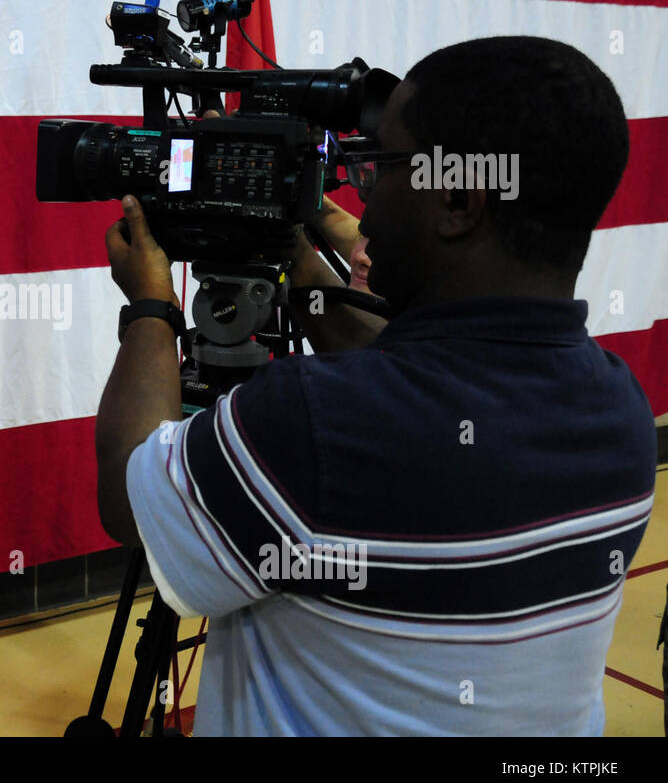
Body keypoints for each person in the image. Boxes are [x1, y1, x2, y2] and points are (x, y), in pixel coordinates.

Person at [96, 36, 656, 735]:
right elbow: (408, 380)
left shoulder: (307, 421)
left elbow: (130, 495)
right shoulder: (622, 411)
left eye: (380, 165)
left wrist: (150, 306)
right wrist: (286, 240)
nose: (360, 192)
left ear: (458, 198)